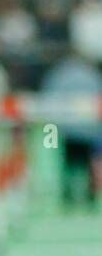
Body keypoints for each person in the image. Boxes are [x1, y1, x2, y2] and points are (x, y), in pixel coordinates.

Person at [40, 49, 101, 208]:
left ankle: (66, 195)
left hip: (67, 129)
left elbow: (49, 99)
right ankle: (90, 197)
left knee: (67, 164)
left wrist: (52, 128)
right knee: (87, 163)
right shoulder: (92, 75)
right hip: (89, 129)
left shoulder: (58, 75)